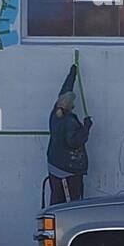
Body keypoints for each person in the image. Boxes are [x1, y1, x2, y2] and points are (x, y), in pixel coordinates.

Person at [46, 63, 92, 204]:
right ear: (71, 106)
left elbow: (65, 90)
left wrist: (72, 75)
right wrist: (86, 128)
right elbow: (73, 142)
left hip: (55, 165)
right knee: (70, 203)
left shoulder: (55, 113)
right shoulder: (69, 121)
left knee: (56, 199)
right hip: (68, 169)